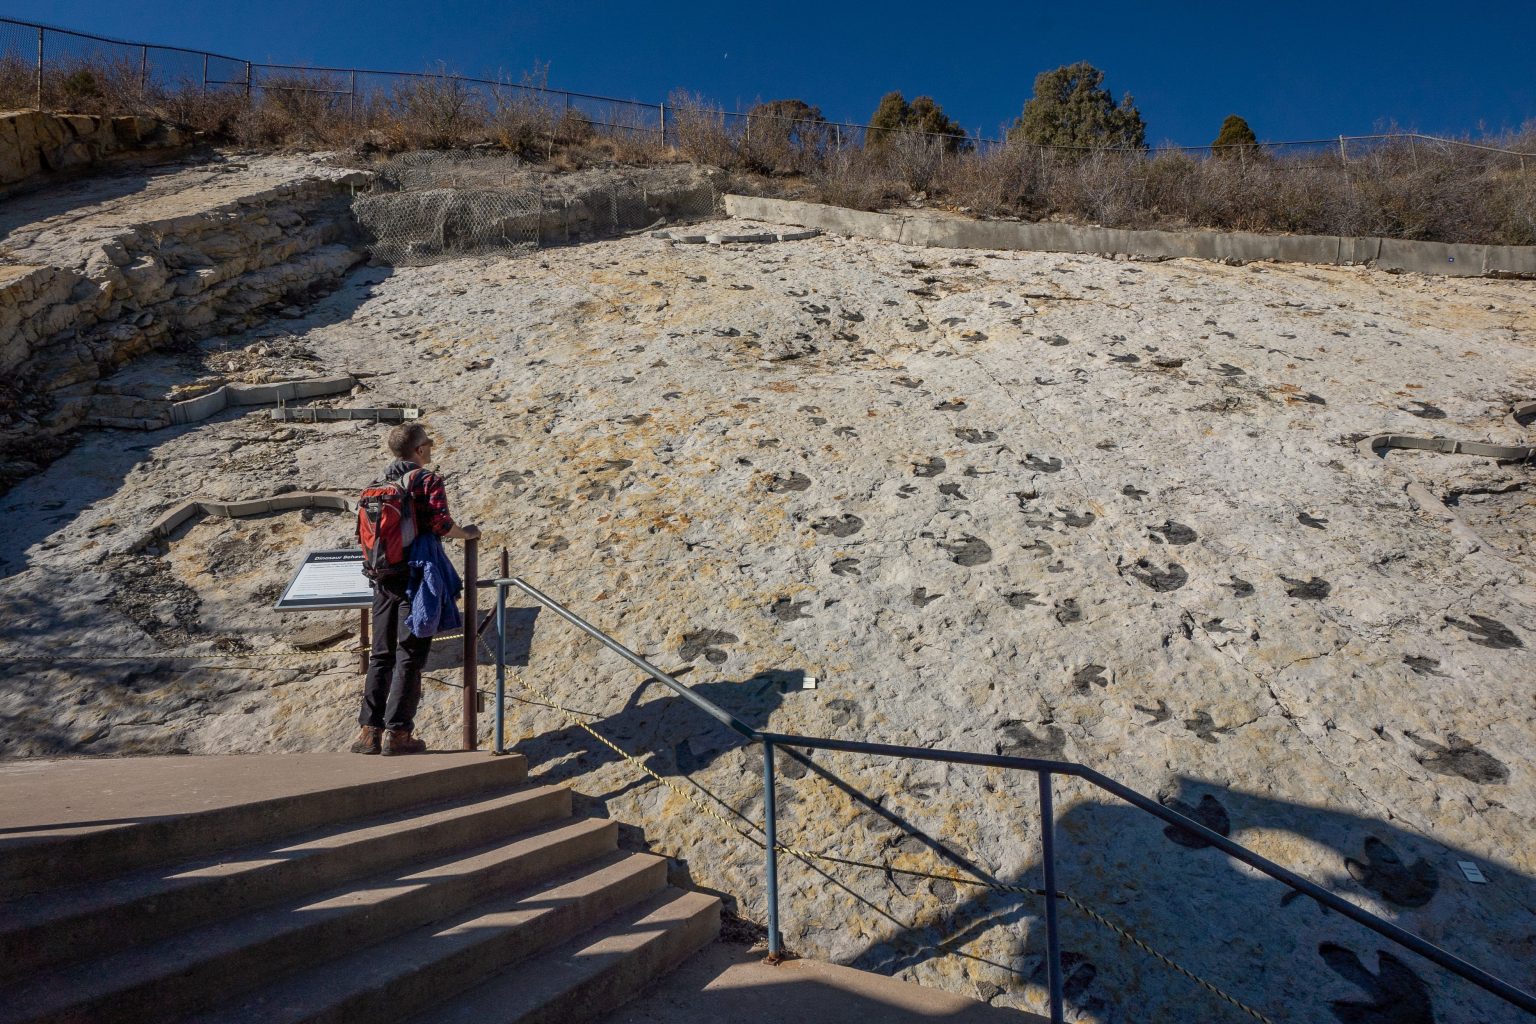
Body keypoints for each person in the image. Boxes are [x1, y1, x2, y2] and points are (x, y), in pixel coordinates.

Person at [351, 423, 480, 755]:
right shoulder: (426, 480)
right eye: (429, 443)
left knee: (381, 655)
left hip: (382, 577)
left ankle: (369, 732)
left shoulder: (375, 486)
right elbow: (440, 523)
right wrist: (467, 534)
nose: (431, 448)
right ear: (419, 450)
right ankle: (399, 734)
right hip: (416, 576)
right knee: (409, 655)